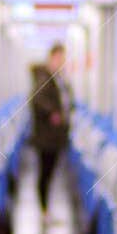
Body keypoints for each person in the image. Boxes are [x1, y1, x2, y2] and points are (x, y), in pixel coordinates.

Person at [29, 43, 71, 222]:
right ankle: (44, 211)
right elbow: (37, 100)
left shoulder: (56, 78)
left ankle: (46, 210)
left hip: (54, 137)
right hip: (47, 138)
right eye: (59, 58)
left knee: (49, 173)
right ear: (52, 57)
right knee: (45, 173)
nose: (62, 62)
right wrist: (53, 113)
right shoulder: (45, 78)